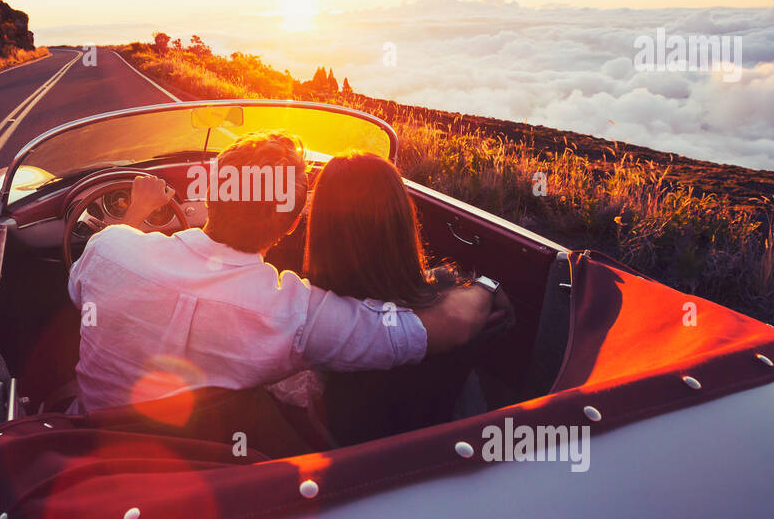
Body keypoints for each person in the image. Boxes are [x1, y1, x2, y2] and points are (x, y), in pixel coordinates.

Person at [66, 130, 507, 416]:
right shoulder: (297, 315)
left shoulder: (108, 250)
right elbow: (452, 324)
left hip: (85, 447)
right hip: (201, 476)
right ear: (294, 222)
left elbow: (78, 287)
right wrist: (487, 283)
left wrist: (138, 213)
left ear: (212, 198)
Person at [273, 150, 513, 444]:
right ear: (402, 217)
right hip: (446, 444)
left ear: (322, 227)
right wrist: (486, 284)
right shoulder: (457, 304)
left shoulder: (313, 324)